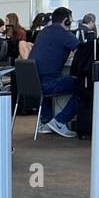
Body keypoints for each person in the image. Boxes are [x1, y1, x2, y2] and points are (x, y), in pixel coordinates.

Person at [30, 7, 80, 137]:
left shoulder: (43, 32)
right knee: (84, 85)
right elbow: (83, 50)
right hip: (48, 84)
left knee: (43, 75)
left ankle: (46, 121)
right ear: (66, 21)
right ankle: (60, 121)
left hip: (32, 85)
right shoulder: (64, 34)